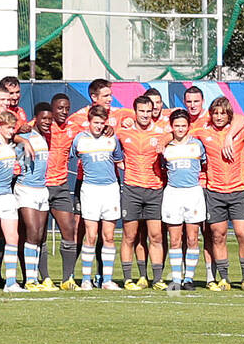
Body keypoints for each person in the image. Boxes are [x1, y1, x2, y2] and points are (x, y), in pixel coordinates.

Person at [200, 97, 244, 291]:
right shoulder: (203, 132)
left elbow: (242, 118)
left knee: (243, 233)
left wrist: (230, 135)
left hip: (238, 191)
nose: (219, 116)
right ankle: (224, 278)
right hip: (215, 193)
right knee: (218, 236)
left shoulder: (240, 129)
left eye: (223, 113)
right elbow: (175, 131)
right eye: (215, 113)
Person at [119, 94, 168, 290]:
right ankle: (129, 278)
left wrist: (167, 139)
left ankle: (157, 279)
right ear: (135, 112)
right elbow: (109, 139)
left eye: (149, 111)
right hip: (132, 189)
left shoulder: (162, 133)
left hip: (155, 190)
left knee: (155, 236)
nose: (146, 115)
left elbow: (176, 133)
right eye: (142, 111)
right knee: (130, 236)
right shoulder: (123, 133)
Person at [72, 105, 123, 290]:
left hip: (110, 189)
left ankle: (107, 280)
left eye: (102, 123)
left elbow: (119, 161)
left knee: (108, 236)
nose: (99, 126)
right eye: (96, 122)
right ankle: (86, 279)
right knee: (91, 235)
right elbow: (69, 156)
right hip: (90, 190)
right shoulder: (80, 139)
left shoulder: (112, 139)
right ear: (89, 121)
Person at [161, 109, 207, 291]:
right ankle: (176, 279)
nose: (180, 129)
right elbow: (163, 167)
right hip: (173, 193)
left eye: (183, 126)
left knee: (192, 238)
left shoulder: (197, 145)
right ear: (171, 127)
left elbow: (204, 164)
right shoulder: (166, 147)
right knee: (174, 239)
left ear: (189, 127)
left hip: (193, 193)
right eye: (177, 126)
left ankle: (189, 278)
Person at [46, 94, 85, 290]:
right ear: (52, 109)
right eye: (60, 108)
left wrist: (108, 129)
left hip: (61, 186)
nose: (63, 111)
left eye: (66, 108)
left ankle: (67, 278)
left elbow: (93, 130)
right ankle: (42, 277)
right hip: (40, 186)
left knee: (70, 230)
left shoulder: (73, 127)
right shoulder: (41, 126)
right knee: (37, 235)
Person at [15, 103, 54, 290]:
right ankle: (29, 279)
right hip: (25, 189)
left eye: (49, 119)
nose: (47, 122)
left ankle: (35, 279)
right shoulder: (24, 135)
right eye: (44, 118)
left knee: (39, 235)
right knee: (30, 232)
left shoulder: (44, 138)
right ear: (36, 118)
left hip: (41, 190)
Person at [0, 114, 23, 291]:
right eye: (8, 127)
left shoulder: (12, 146)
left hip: (8, 195)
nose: (11, 131)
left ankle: (11, 281)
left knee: (13, 237)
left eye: (13, 128)